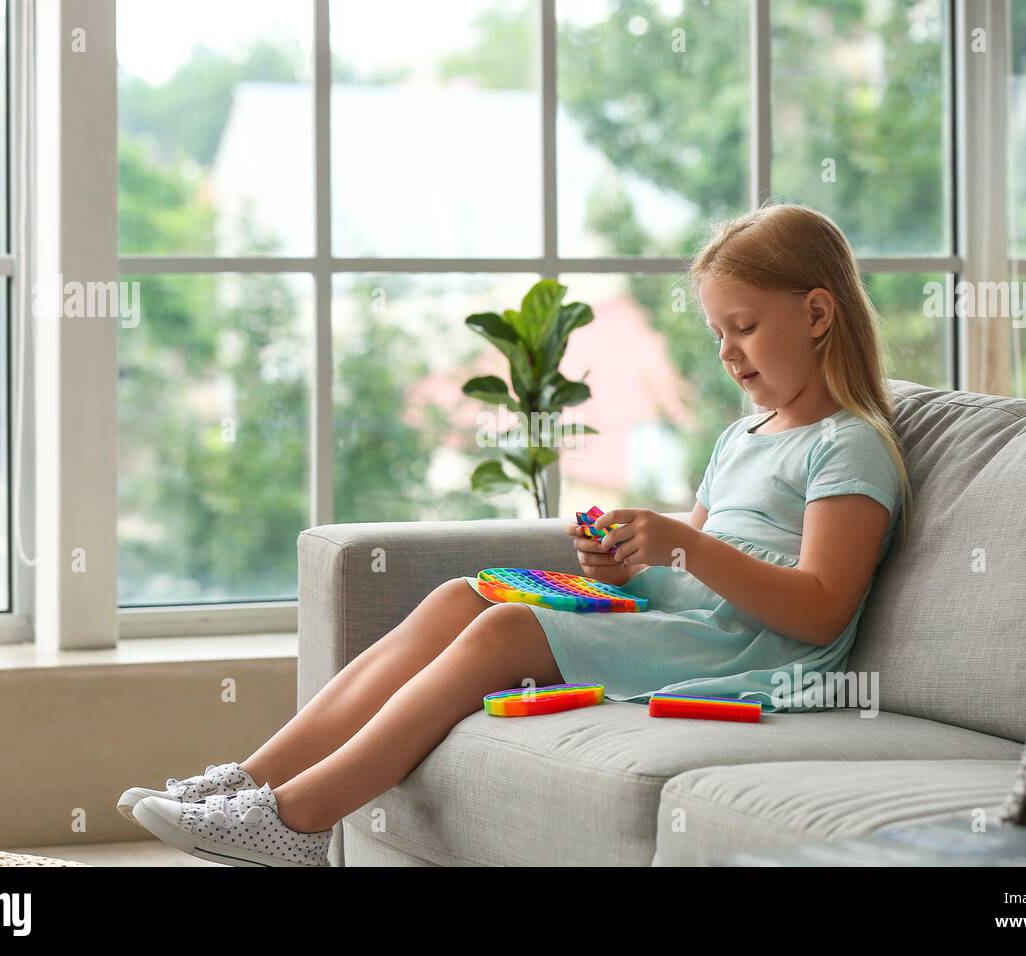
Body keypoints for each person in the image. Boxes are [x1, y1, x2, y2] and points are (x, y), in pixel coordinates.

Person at [117, 201, 911, 866]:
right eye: (717, 333)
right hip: (696, 619)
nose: (727, 352)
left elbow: (819, 610)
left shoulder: (848, 444)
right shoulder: (745, 436)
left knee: (504, 631)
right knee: (461, 597)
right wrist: (626, 564)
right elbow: (683, 569)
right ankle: (245, 781)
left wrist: (685, 544)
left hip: (757, 654)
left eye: (743, 326)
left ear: (816, 312)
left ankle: (297, 820)